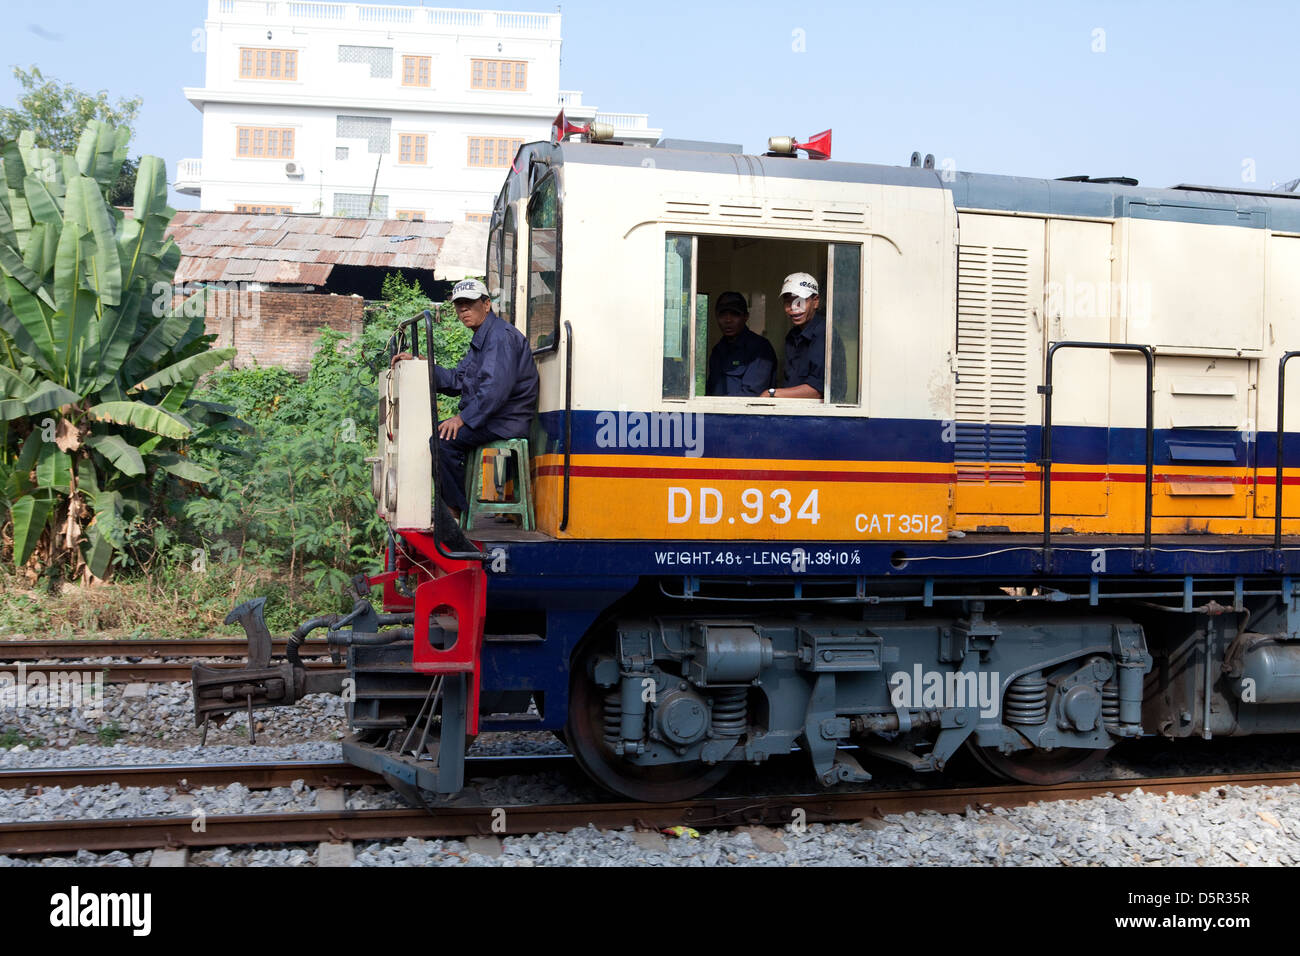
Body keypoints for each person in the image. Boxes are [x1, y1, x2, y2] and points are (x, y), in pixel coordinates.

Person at [433, 278, 539, 520]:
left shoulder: (499, 337)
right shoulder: (483, 338)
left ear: (487, 304)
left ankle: (454, 510)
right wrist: (422, 366)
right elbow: (457, 380)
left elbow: (495, 390)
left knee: (442, 442)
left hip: (505, 420)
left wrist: (463, 419)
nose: (463, 311)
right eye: (459, 306)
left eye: (469, 304)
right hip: (495, 418)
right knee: (441, 436)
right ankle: (456, 504)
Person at [768, 272, 836, 399]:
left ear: (815, 302)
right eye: (788, 302)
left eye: (800, 301)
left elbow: (817, 390)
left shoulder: (825, 334)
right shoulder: (792, 337)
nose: (794, 307)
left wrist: (771, 394)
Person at [705, 291, 777, 396]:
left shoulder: (760, 349)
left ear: (746, 317)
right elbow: (711, 392)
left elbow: (751, 395)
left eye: (735, 314)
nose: (728, 320)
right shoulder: (718, 351)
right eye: (722, 314)